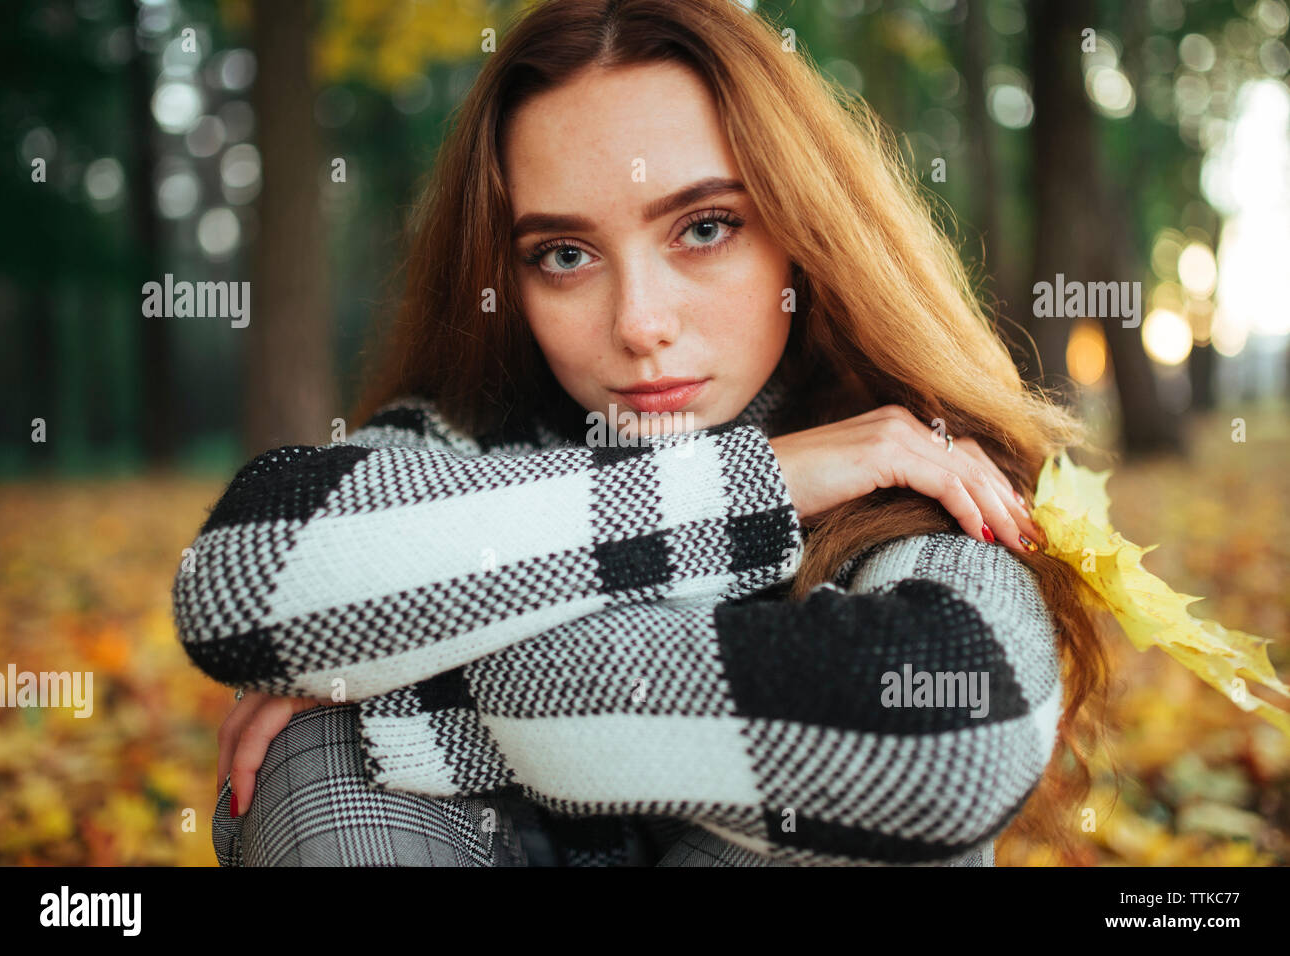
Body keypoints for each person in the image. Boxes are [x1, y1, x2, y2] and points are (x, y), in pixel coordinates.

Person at [173, 0, 1109, 866]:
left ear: (804, 226)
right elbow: (244, 577)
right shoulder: (464, 437)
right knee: (317, 749)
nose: (639, 324)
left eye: (704, 228)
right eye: (565, 255)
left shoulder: (911, 469)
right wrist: (757, 483)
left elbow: (947, 743)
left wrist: (412, 657)